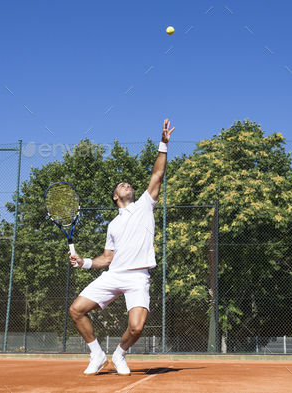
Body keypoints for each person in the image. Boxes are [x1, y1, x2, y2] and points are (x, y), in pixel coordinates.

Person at [68, 119, 175, 376]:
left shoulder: (144, 205)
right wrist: (83, 262)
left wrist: (163, 144)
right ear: (116, 197)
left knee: (137, 327)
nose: (127, 185)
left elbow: (157, 174)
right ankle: (97, 354)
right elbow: (106, 258)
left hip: (138, 276)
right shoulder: (112, 225)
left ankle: (119, 354)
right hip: (114, 275)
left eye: (129, 185)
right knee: (76, 310)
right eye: (121, 186)